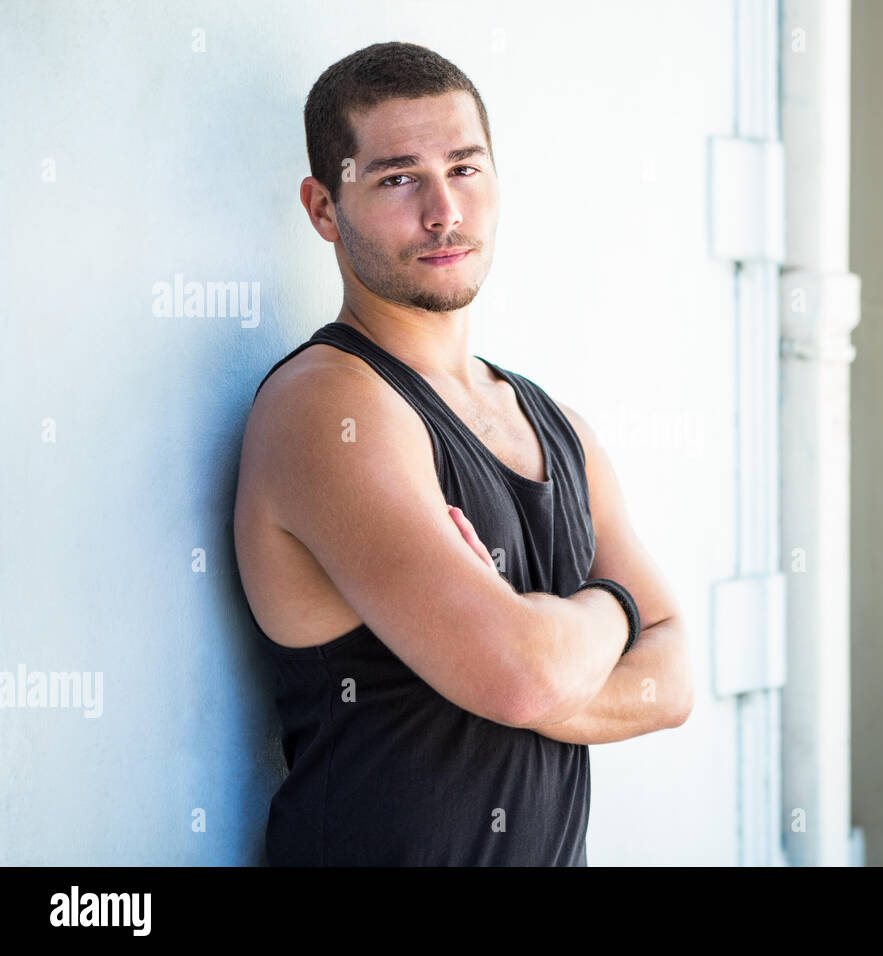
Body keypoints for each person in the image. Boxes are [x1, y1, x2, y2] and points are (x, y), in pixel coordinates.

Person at [232, 41, 692, 866]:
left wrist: (538, 657)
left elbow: (673, 683)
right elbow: (526, 676)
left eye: (465, 168)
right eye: (398, 178)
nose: (444, 211)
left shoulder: (555, 423)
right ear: (323, 208)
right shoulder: (330, 407)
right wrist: (615, 610)